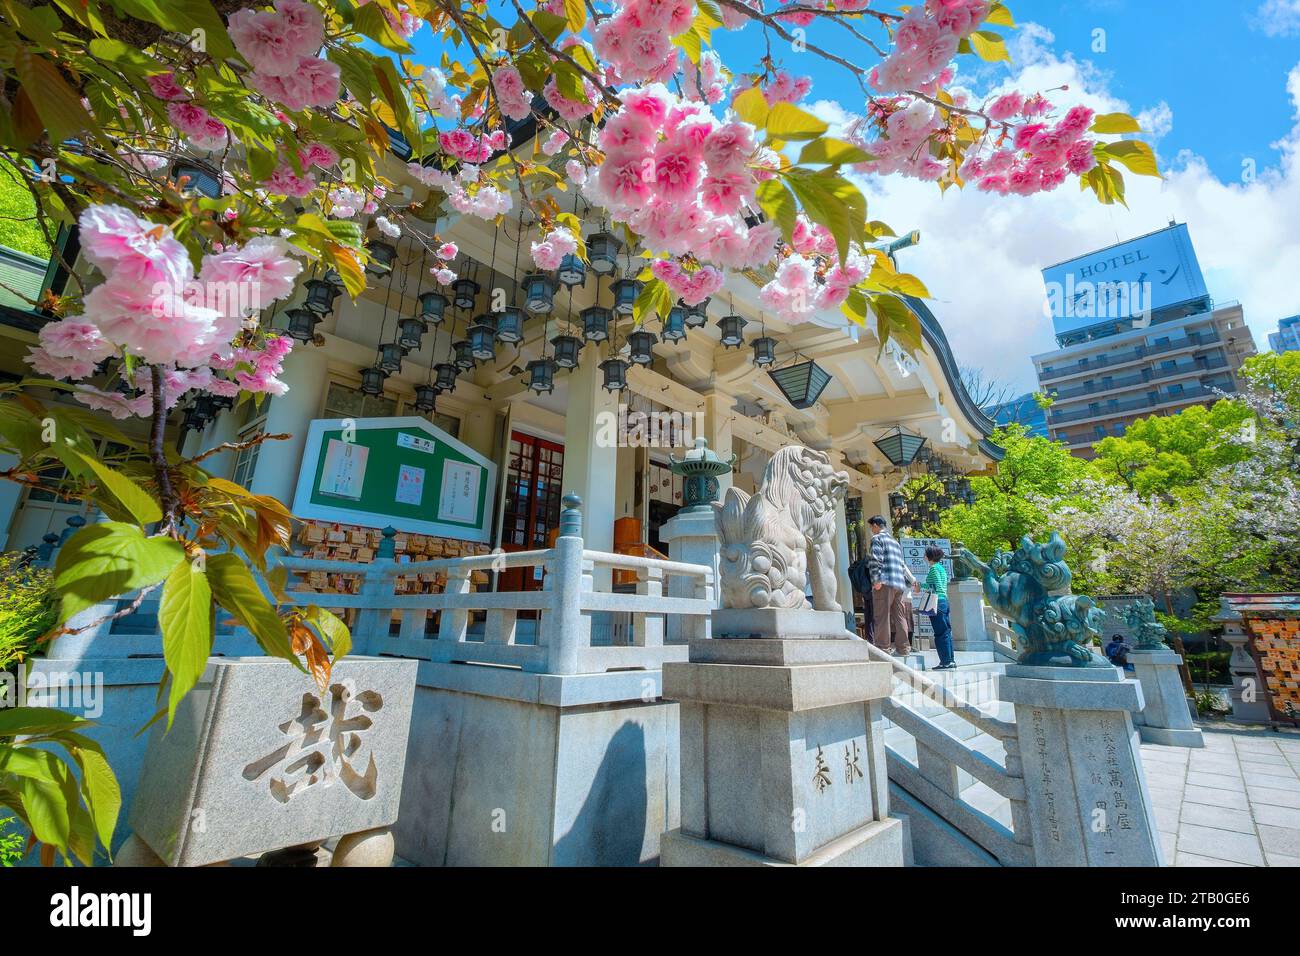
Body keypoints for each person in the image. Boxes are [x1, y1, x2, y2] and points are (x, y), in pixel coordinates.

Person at [866, 515, 915, 657]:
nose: (871, 530)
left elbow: (876, 560)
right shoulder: (895, 542)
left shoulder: (877, 539)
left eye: (871, 527)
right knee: (900, 616)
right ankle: (904, 648)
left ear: (875, 525)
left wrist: (876, 580)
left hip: (885, 582)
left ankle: (883, 648)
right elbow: (901, 564)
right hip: (899, 584)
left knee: (882, 616)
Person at [921, 545, 955, 670]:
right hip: (944, 602)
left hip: (936, 602)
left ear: (930, 556)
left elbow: (936, 587)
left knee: (940, 633)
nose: (924, 556)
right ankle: (950, 660)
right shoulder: (941, 568)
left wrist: (921, 586)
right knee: (946, 632)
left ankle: (945, 662)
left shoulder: (933, 569)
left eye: (925, 553)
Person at [848, 551, 874, 642]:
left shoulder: (863, 562)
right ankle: (874, 638)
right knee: (875, 615)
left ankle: (870, 637)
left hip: (865, 591)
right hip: (873, 590)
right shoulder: (872, 561)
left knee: (868, 615)